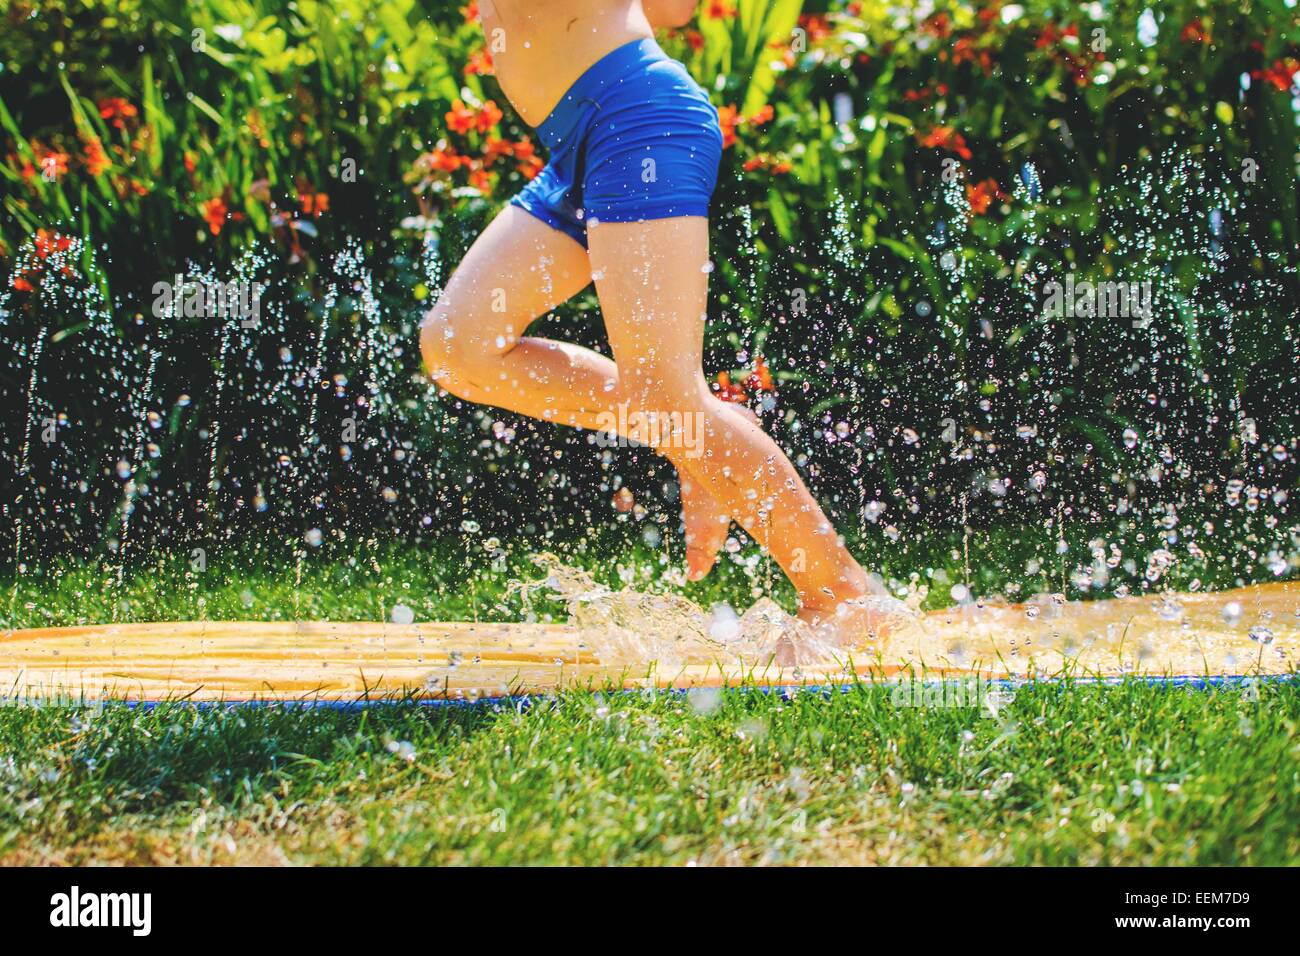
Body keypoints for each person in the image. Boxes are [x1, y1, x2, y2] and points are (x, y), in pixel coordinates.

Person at [420, 0, 890, 650]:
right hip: (575, 142)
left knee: (667, 396)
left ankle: (845, 598)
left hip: (637, 117)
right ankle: (699, 433)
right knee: (458, 348)